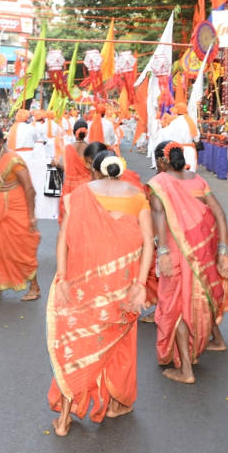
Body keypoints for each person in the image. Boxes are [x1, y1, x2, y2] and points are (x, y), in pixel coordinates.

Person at [48, 150, 152, 436]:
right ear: (120, 170)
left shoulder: (80, 195)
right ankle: (116, 402)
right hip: (123, 287)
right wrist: (141, 285)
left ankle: (65, 418)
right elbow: (148, 244)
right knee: (115, 344)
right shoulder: (136, 195)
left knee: (78, 347)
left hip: (83, 284)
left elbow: (63, 241)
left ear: (95, 172)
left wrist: (63, 278)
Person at [148, 141, 228, 384]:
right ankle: (213, 342)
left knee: (179, 307)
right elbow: (220, 214)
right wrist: (222, 252)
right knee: (202, 299)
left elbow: (158, 216)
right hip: (206, 251)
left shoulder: (159, 184)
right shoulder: (199, 181)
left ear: (162, 161)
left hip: (178, 253)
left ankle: (186, 370)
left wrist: (163, 253)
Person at [0, 126, 41, 300]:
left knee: (20, 248)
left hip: (17, 205)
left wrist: (32, 215)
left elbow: (29, 188)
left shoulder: (13, 159)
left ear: (1, 143)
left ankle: (35, 288)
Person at [52, 119, 90, 223]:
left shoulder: (68, 148)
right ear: (86, 133)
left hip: (70, 187)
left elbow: (66, 169)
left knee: (70, 216)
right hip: (86, 185)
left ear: (74, 132)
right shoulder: (90, 148)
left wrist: (56, 164)